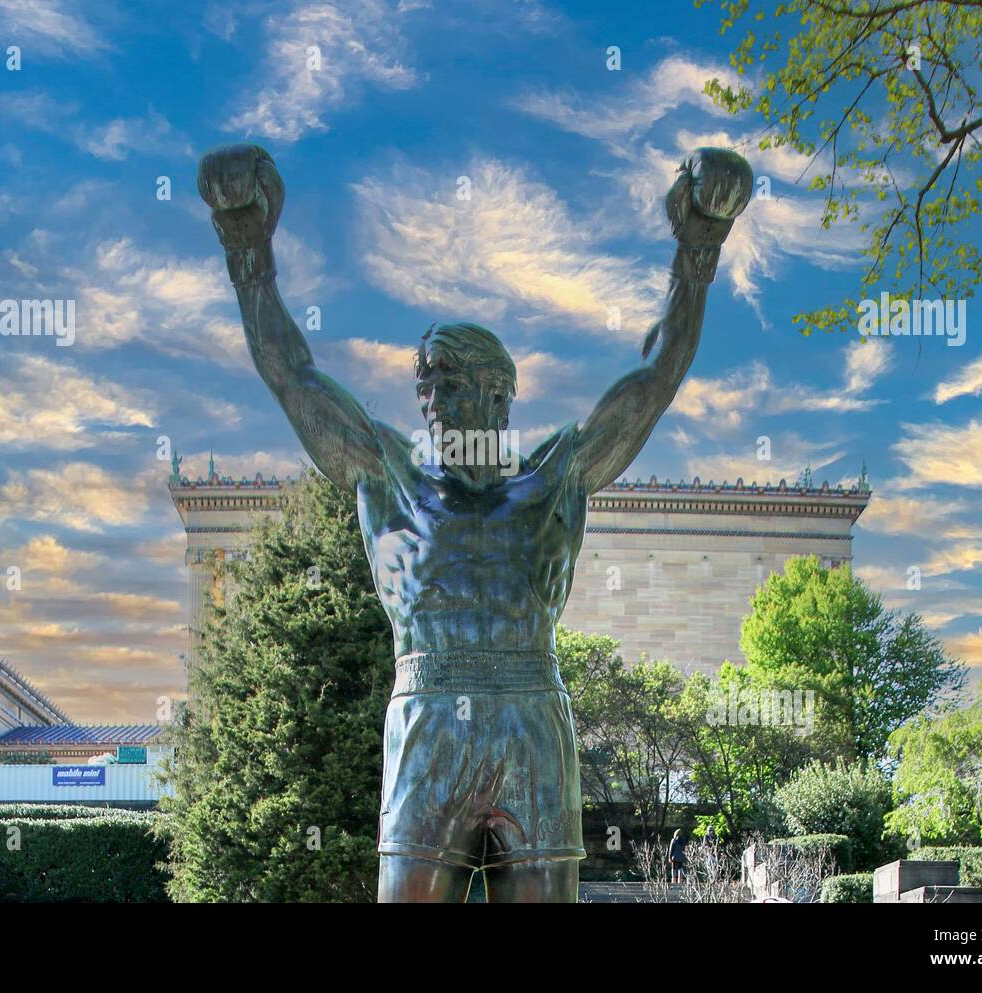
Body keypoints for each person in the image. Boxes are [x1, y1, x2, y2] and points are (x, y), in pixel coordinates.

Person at [198, 143, 751, 902]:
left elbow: (657, 377)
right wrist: (248, 250)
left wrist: (697, 249)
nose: (438, 402)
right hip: (428, 721)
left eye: (457, 386)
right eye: (431, 387)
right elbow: (292, 374)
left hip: (531, 719)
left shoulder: (556, 478)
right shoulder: (390, 477)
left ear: (501, 399)